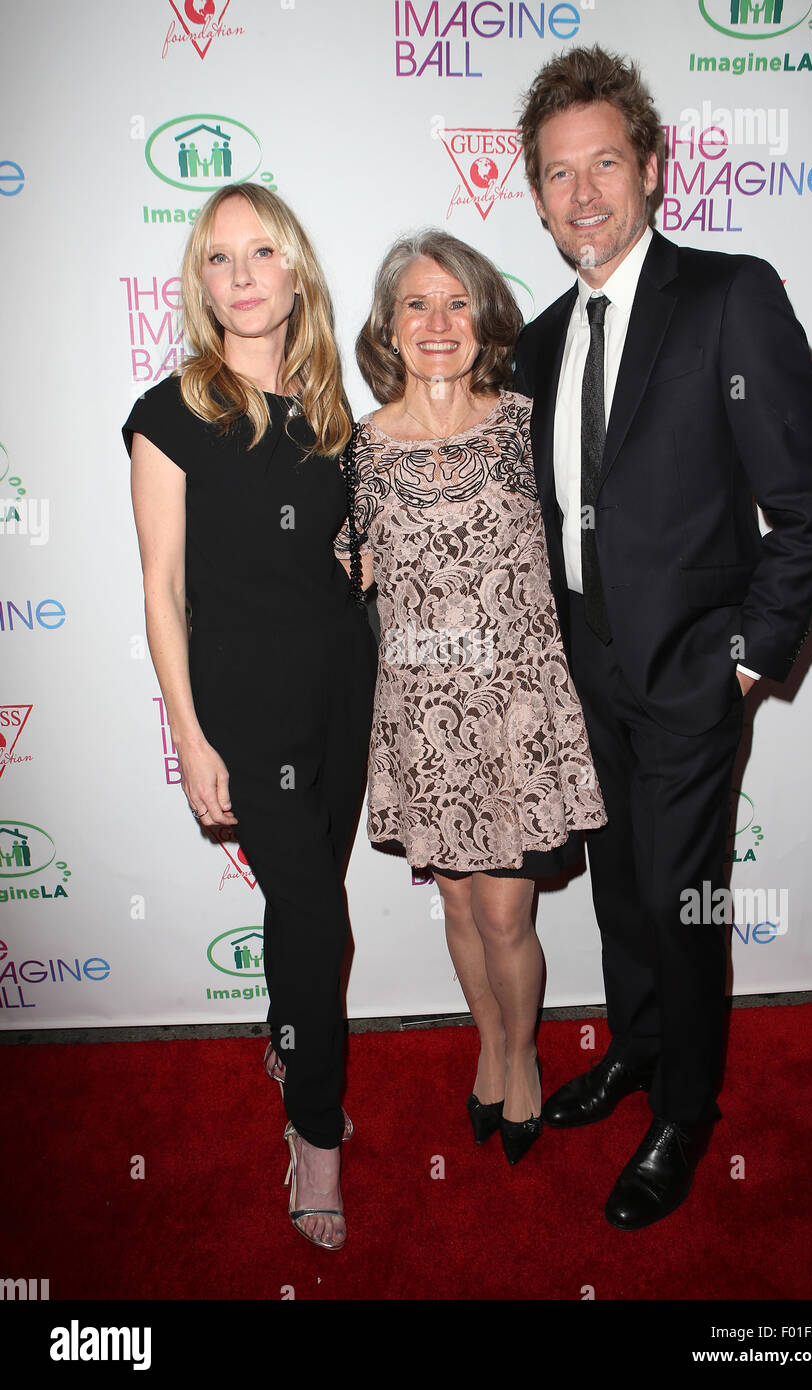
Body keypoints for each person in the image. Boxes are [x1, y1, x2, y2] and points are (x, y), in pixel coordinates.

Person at [514, 45, 812, 1228]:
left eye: (606, 162)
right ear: (538, 195)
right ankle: (639, 1052)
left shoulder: (727, 295)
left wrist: (748, 659)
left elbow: (808, 506)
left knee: (684, 899)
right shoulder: (542, 342)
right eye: (559, 173)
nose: (584, 193)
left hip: (694, 675)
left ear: (653, 169)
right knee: (620, 894)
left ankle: (686, 1110)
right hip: (583, 678)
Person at [124, 183, 376, 1250]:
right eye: (220, 257)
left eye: (261, 251)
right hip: (247, 710)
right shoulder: (171, 411)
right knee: (321, 921)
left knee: (306, 898)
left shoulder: (334, 419)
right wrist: (188, 733)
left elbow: (340, 560)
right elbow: (161, 586)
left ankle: (288, 1027)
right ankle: (313, 1131)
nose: (242, 274)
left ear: (294, 272)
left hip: (342, 690)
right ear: (203, 283)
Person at [337, 230, 605, 1165]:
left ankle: (522, 1056)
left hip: (517, 714)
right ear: (387, 327)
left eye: (455, 303)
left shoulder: (527, 425)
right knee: (456, 911)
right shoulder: (359, 450)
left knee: (505, 914)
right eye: (416, 304)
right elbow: (339, 570)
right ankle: (489, 1047)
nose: (437, 322)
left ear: (484, 318)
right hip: (420, 715)